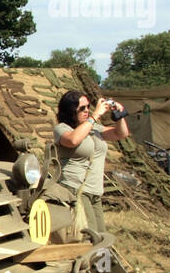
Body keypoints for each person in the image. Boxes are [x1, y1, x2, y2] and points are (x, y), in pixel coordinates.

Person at [52, 89, 130, 234]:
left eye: (88, 107)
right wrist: (95, 116)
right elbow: (73, 140)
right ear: (70, 110)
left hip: (95, 191)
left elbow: (121, 134)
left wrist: (119, 114)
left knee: (101, 235)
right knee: (90, 237)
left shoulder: (93, 128)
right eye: (82, 108)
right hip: (76, 188)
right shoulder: (61, 129)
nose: (86, 111)